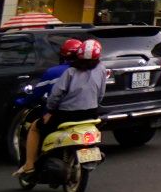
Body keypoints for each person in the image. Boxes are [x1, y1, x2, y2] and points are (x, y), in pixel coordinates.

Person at [16, 38, 107, 176]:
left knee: (35, 127)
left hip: (66, 115)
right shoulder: (101, 69)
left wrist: (50, 111)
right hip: (91, 114)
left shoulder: (69, 72)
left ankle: (29, 165)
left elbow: (55, 96)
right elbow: (101, 94)